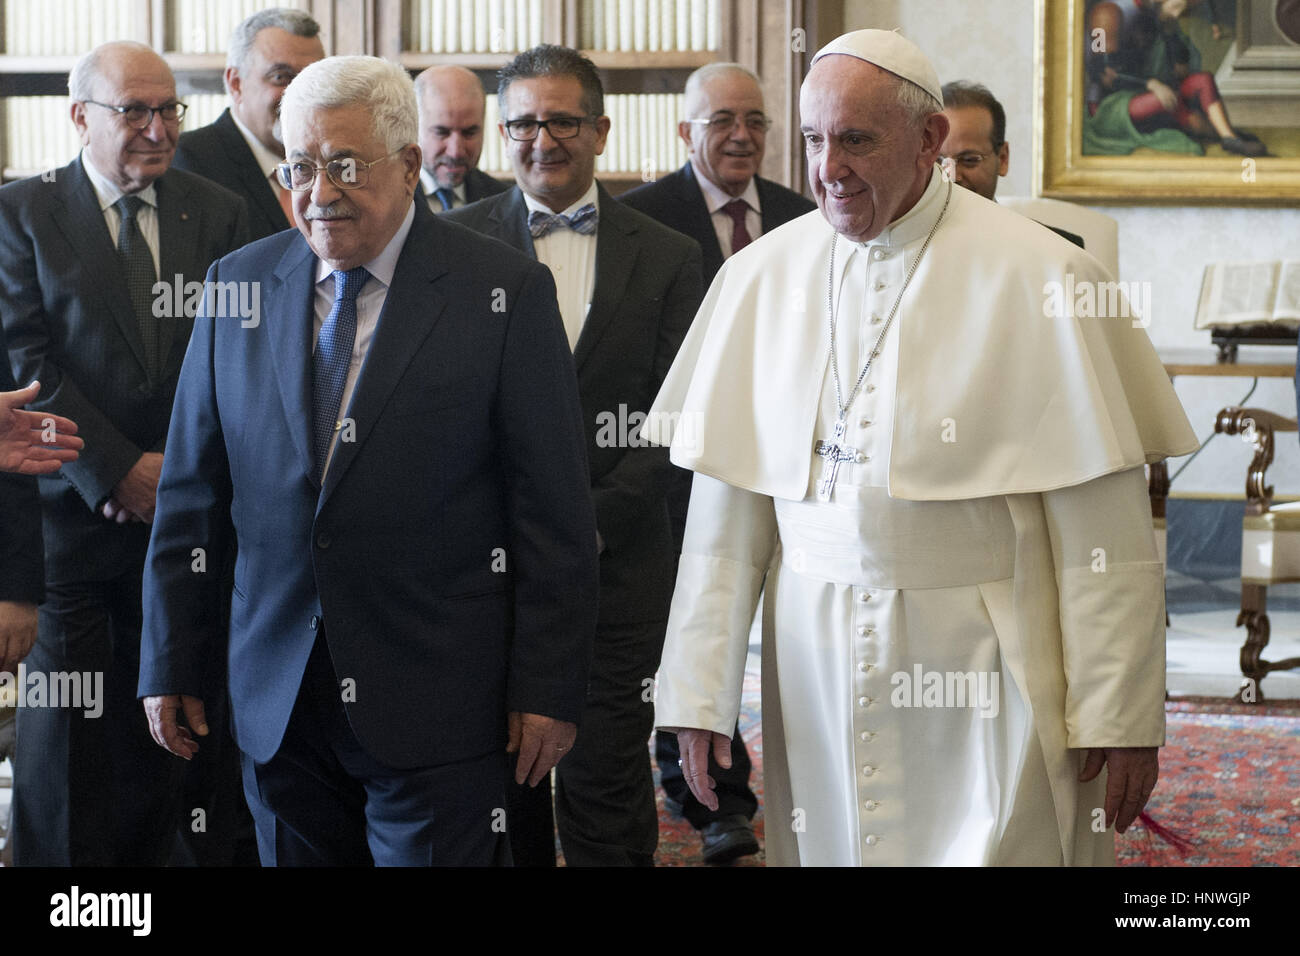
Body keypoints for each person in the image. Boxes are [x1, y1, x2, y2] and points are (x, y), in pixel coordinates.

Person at [646, 29, 1199, 866]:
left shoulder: (1044, 278)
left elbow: (1103, 533)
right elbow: (723, 527)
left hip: (990, 658)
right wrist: (695, 693)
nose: (828, 168)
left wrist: (1120, 711)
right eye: (813, 140)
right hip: (815, 661)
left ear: (930, 139)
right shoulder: (760, 279)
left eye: (857, 139)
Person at [138, 55, 599, 867]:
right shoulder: (235, 287)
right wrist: (170, 658)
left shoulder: (504, 294)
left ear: (410, 164)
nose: (320, 192)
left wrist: (547, 689)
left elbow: (553, 514)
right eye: (302, 167)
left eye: (346, 166)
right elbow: (191, 496)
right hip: (277, 701)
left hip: (440, 704)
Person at [446, 44, 702, 867]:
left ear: (599, 130)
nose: (542, 139)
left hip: (618, 566)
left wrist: (585, 525)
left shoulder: (668, 255)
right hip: (490, 570)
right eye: (522, 121)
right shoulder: (447, 245)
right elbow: (440, 415)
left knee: (606, 776)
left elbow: (677, 418)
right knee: (501, 779)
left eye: (562, 120)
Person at [0, 40, 249, 866]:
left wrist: (170, 478)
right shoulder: (22, 213)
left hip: (185, 535)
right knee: (67, 758)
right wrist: (114, 471)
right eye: (134, 110)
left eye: (169, 109)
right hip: (69, 535)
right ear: (80, 117)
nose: (157, 128)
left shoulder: (217, 213)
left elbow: (234, 366)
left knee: (174, 752)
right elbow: (25, 363)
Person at [620, 61, 814, 864]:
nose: (741, 135)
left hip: (792, 457)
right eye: (722, 120)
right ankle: (712, 800)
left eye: (756, 121)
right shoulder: (640, 219)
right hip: (676, 469)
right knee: (692, 631)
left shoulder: (812, 213)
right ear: (685, 132)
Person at [173, 7, 325, 240]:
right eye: (281, 77)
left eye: (312, 79)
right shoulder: (189, 162)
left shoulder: (334, 162)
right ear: (236, 84)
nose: (300, 95)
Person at [1084, 0, 1264, 156]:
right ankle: (1223, 133)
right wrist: (1151, 84)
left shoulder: (1155, 13)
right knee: (1172, 102)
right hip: (1109, 106)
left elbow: (1181, 72)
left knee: (1202, 80)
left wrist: (1169, 32)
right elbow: (1101, 72)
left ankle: (1229, 137)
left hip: (1142, 94)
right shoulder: (1107, 12)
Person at [939, 80, 1084, 248]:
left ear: (1002, 159)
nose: (951, 176)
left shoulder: (1061, 249)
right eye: (937, 161)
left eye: (969, 160)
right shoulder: (904, 246)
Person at [414, 65, 509, 212]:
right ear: (413, 127)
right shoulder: (385, 199)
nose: (455, 152)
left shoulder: (504, 203)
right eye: (442, 132)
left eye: (469, 133)